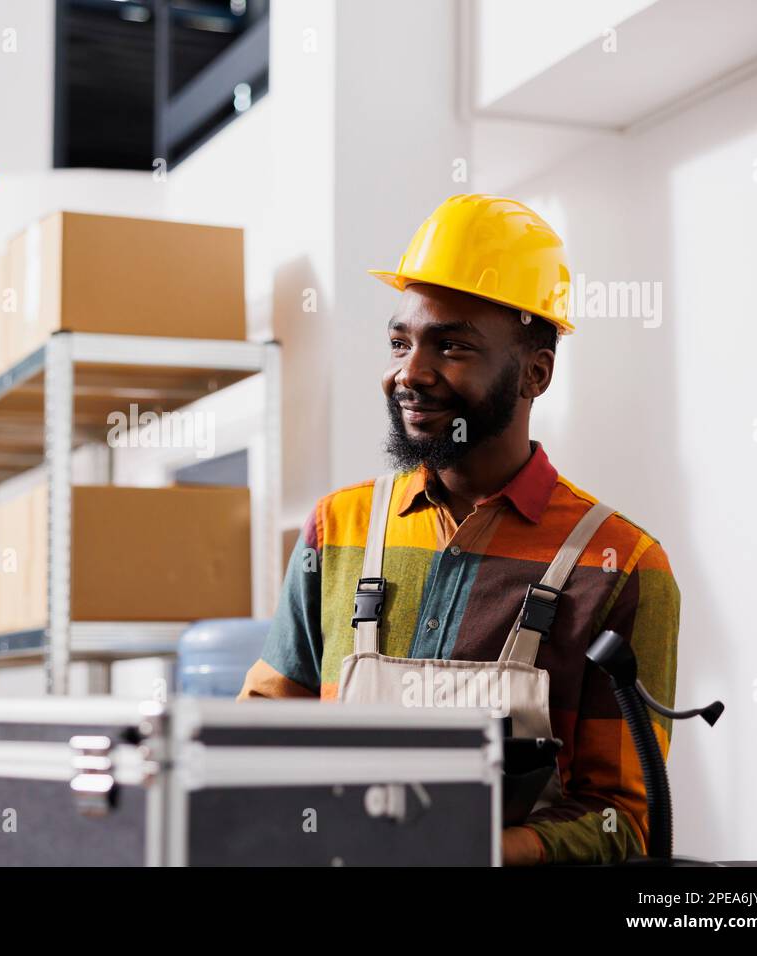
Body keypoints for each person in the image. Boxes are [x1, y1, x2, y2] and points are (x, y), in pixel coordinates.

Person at [239, 194, 680, 866]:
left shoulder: (623, 566)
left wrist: (473, 851)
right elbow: (256, 740)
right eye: (400, 342)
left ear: (536, 372)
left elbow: (624, 823)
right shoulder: (336, 530)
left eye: (451, 346)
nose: (409, 375)